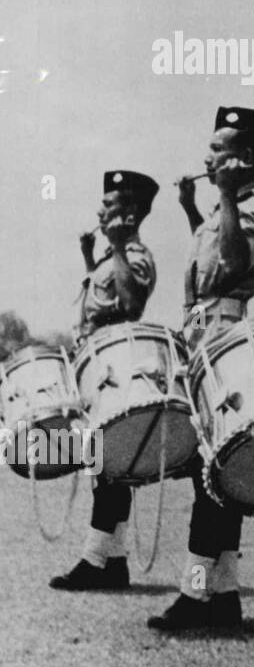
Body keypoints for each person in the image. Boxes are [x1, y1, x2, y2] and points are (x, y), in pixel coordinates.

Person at [147, 107, 254, 633]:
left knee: (212, 474)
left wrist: (220, 196)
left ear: (243, 159)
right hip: (201, 333)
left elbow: (234, 263)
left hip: (223, 336)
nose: (207, 156)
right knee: (210, 478)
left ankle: (196, 594)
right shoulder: (227, 206)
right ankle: (223, 597)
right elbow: (208, 253)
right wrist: (190, 207)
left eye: (218, 148)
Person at [50, 170, 159, 591]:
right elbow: (102, 300)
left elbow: (130, 306)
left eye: (110, 204)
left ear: (129, 213)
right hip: (96, 363)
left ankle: (95, 560)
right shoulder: (112, 256)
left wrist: (112, 248)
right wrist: (89, 255)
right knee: (105, 467)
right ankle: (114, 563)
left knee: (108, 464)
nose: (101, 209)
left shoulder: (136, 256)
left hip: (115, 365)